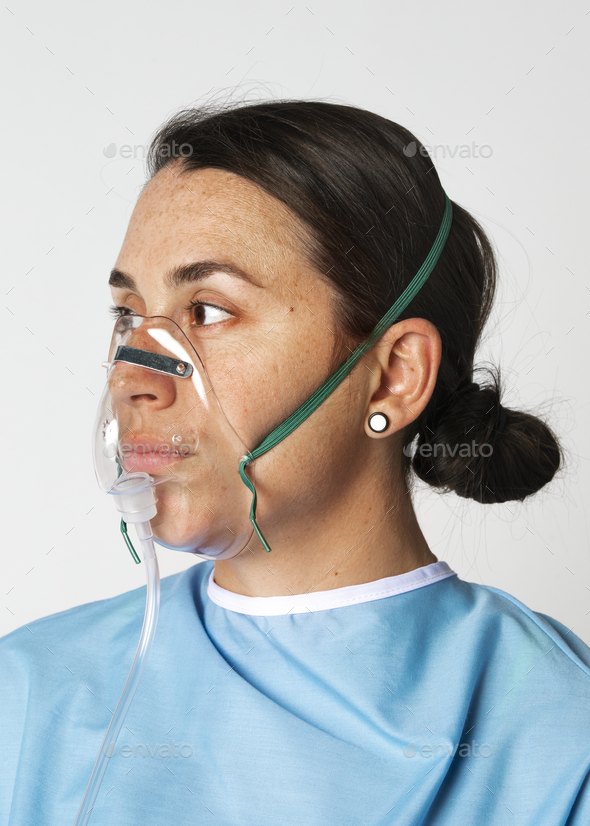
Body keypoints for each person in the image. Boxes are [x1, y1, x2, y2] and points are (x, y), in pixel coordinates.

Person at [1, 99, 589, 825]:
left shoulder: (558, 738)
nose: (131, 376)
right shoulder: (28, 697)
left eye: (208, 312)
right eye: (128, 315)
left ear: (394, 375)